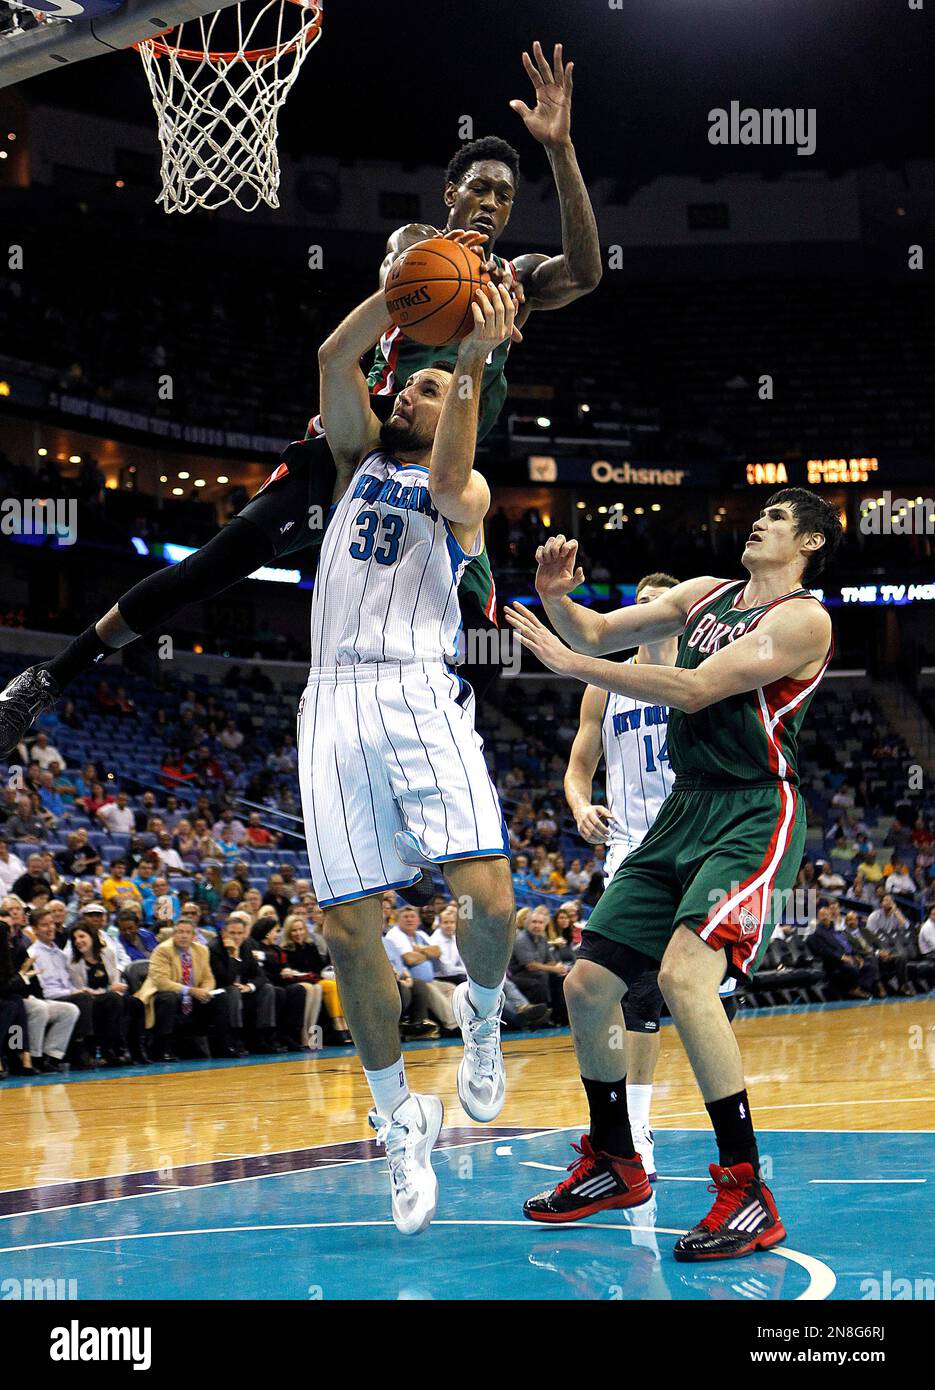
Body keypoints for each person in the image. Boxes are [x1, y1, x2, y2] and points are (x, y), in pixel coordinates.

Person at [0, 41, 599, 746]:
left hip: (440, 471)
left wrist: (559, 148)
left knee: (489, 636)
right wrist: (451, 278)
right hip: (367, 438)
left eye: (502, 194)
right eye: (480, 189)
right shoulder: (420, 246)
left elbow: (586, 272)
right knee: (211, 567)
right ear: (451, 194)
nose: (491, 203)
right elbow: (399, 274)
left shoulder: (516, 280)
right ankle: (50, 675)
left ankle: (427, 749)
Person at [506, 486, 843, 1260]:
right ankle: (615, 1160)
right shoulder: (699, 595)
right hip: (681, 810)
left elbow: (694, 689)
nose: (758, 519)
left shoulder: (803, 618)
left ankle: (745, 1187)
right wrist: (559, 600)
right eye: (757, 512)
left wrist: (570, 660)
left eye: (781, 517)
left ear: (811, 544)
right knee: (586, 986)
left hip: (752, 811)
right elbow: (592, 627)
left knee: (686, 978)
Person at [295, 271, 522, 1236]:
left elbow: (444, 477)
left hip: (418, 687)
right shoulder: (351, 462)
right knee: (348, 930)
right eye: (406, 385)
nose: (403, 396)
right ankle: (397, 1119)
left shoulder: (462, 485)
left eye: (423, 390)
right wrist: (396, 297)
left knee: (490, 898)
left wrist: (467, 362)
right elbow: (330, 359)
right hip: (332, 700)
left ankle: (481, 1016)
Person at [137, 920, 233, 1061]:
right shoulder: (162, 950)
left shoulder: (202, 950)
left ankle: (221, 1047)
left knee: (221, 998)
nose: (184, 936)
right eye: (180, 932)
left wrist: (205, 990)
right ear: (173, 934)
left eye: (188, 932)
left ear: (194, 936)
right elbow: (161, 982)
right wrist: (191, 991)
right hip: (162, 994)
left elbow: (208, 978)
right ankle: (161, 1050)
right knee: (169, 998)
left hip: (192, 997)